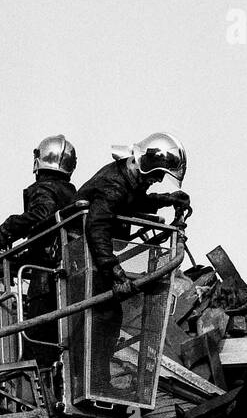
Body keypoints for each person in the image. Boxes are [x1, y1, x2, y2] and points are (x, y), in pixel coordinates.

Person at [75, 133, 191, 390]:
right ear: (145, 164)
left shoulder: (125, 180)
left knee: (106, 319)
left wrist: (168, 199)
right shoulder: (113, 185)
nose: (158, 180)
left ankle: (96, 382)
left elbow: (135, 202)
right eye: (157, 174)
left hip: (90, 263)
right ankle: (94, 384)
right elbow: (97, 227)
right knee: (102, 320)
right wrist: (115, 271)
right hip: (83, 266)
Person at [0, 135, 78, 360]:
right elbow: (50, 238)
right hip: (68, 276)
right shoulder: (70, 193)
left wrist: (9, 227)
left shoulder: (44, 189)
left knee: (38, 339)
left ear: (39, 161)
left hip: (47, 282)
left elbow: (42, 214)